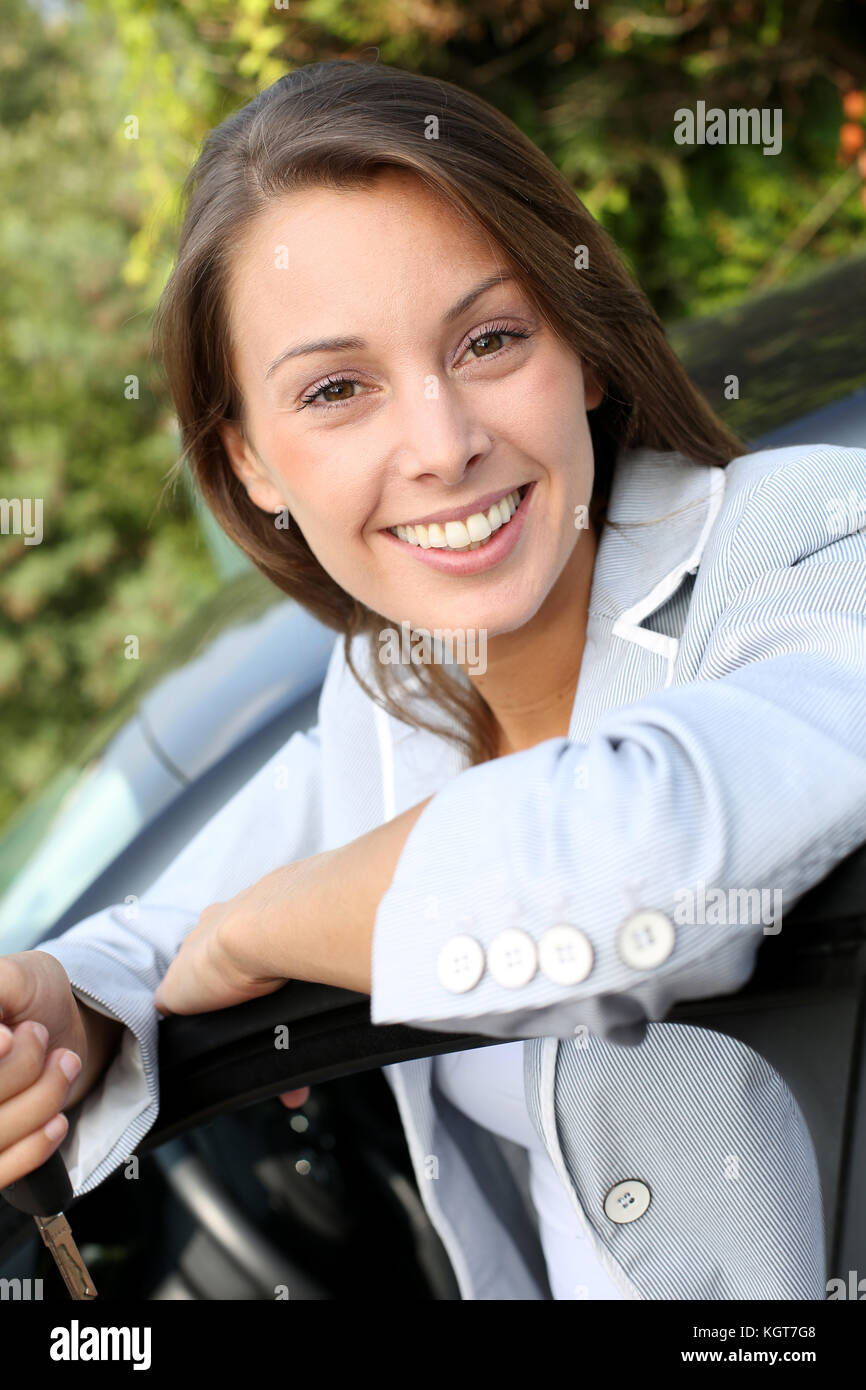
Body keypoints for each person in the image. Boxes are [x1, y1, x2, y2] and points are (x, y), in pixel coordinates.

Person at [1, 59, 865, 1301]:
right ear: (250, 462)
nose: (443, 442)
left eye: (491, 339)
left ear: (585, 351)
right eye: (337, 389)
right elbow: (156, 935)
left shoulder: (815, 542)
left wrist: (259, 927)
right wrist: (61, 1009)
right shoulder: (386, 692)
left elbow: (631, 854)